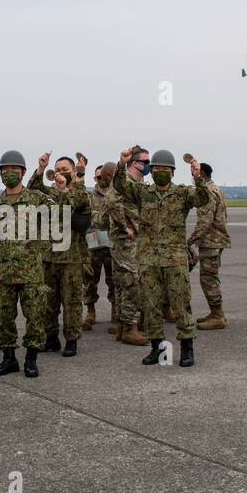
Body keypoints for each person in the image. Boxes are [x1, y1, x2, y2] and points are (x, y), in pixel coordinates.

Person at [116, 148, 209, 366]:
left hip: (175, 260)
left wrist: (198, 177)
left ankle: (187, 348)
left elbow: (203, 198)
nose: (160, 172)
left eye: (165, 169)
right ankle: (157, 347)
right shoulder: (142, 192)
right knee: (151, 306)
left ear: (173, 172)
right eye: (156, 168)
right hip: (149, 260)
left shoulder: (183, 194)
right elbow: (121, 185)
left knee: (180, 305)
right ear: (151, 170)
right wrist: (122, 164)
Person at [0, 150, 52, 377]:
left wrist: (42, 171)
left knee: (35, 317)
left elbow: (60, 206)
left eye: (14, 170)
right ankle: (8, 359)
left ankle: (31, 359)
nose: (9, 174)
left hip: (31, 273)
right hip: (5, 272)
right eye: (5, 170)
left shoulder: (36, 199)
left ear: (23, 173)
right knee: (4, 317)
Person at [31, 153, 90, 356]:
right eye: (56, 170)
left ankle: (71, 339)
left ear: (73, 172)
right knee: (48, 302)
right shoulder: (48, 193)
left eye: (64, 169)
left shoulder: (80, 193)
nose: (59, 173)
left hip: (71, 257)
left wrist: (67, 187)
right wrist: (40, 168)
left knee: (72, 301)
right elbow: (32, 189)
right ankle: (51, 338)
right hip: (48, 256)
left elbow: (73, 205)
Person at [109, 148, 149, 346]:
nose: (148, 164)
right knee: (131, 284)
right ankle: (129, 328)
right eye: (145, 161)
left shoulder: (139, 183)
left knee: (127, 283)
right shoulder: (123, 181)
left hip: (135, 241)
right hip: (126, 242)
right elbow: (112, 203)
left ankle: (123, 327)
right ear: (134, 163)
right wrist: (124, 227)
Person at [190, 161, 230, 330]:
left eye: (194, 171)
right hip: (216, 240)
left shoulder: (207, 191)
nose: (192, 174)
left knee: (208, 279)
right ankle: (215, 313)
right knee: (209, 277)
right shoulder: (216, 189)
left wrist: (190, 240)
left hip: (210, 241)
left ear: (202, 173)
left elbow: (205, 221)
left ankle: (217, 315)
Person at [83, 163, 115, 332]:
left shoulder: (115, 195)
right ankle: (90, 311)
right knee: (90, 281)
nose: (102, 180)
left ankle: (115, 313)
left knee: (114, 281)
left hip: (111, 246)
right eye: (98, 177)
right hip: (94, 244)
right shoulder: (89, 197)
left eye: (104, 176)